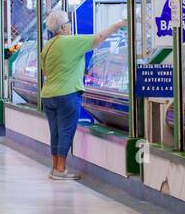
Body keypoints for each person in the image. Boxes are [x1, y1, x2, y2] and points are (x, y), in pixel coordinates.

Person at [41, 9, 127, 180]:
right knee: (66, 130)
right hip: (67, 93)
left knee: (55, 132)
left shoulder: (48, 45)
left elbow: (45, 71)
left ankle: (54, 167)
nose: (70, 27)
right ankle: (60, 170)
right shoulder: (69, 41)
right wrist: (118, 25)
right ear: (64, 26)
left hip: (48, 95)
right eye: (69, 24)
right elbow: (99, 38)